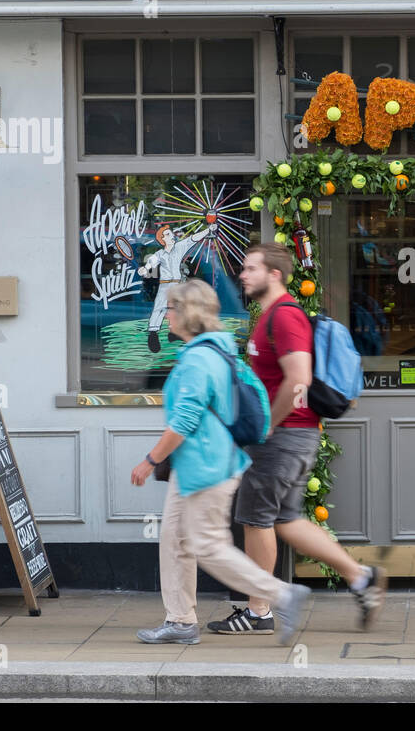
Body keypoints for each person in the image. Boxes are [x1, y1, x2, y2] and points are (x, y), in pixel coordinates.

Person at [207, 243, 385, 636]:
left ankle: (258, 610)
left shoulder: (285, 317)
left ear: (274, 274)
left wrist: (268, 423)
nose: (243, 274)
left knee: (255, 520)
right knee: (285, 518)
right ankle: (361, 578)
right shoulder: (272, 315)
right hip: (294, 436)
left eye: (251, 268)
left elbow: (299, 378)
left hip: (284, 437)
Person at [131, 279, 313, 646]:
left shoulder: (200, 359)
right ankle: (181, 620)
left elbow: (184, 421)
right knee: (175, 540)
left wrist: (150, 461)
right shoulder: (213, 350)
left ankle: (281, 594)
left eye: (170, 308)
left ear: (186, 313)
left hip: (207, 468)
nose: (165, 314)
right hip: (195, 467)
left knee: (208, 544)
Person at [138, 223, 217, 354]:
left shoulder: (179, 247)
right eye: (168, 234)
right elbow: (151, 262)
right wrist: (145, 269)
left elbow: (193, 238)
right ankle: (153, 334)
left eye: (171, 233)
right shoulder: (160, 254)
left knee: (178, 308)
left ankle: (173, 333)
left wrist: (208, 230)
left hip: (177, 284)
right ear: (162, 239)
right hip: (165, 284)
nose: (172, 236)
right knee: (159, 308)